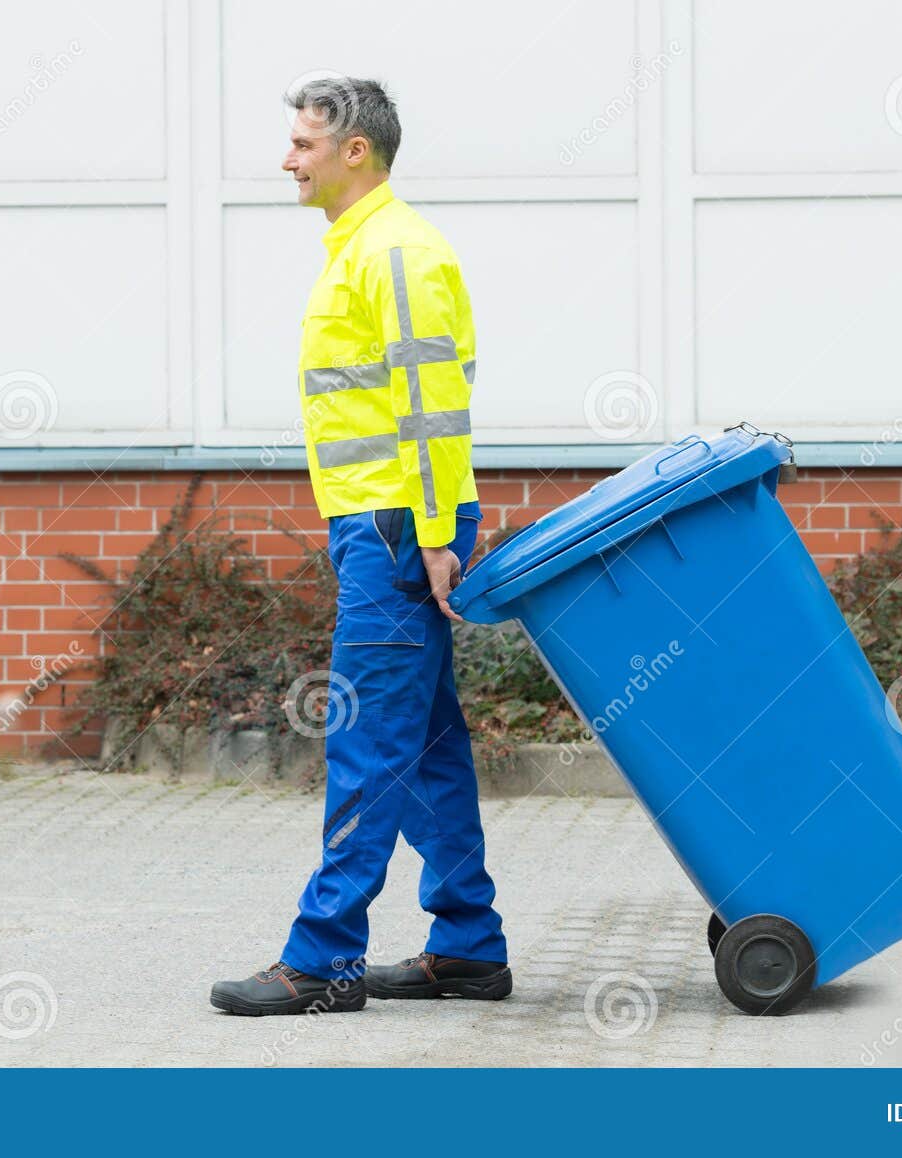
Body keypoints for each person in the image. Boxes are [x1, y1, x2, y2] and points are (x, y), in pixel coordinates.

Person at [209, 77, 510, 1016]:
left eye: (303, 143)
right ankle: (468, 947)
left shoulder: (398, 252)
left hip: (395, 534)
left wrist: (426, 539)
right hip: (381, 529)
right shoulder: (360, 249)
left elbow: (430, 412)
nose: (287, 159)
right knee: (424, 748)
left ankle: (323, 958)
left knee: (366, 744)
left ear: (355, 152)